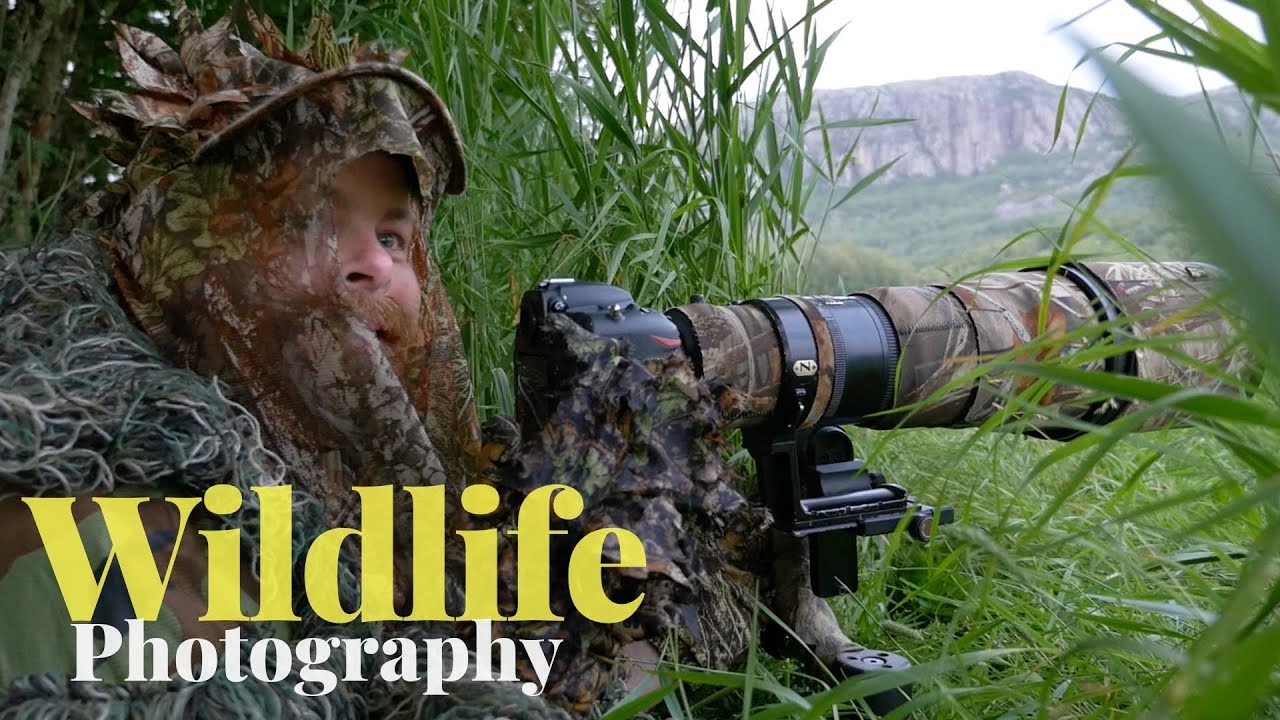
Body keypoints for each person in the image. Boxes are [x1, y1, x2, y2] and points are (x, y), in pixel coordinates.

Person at [0, 7, 856, 718]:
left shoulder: (379, 496)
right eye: (300, 216)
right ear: (179, 253)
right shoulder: (92, 507)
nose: (373, 265)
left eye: (394, 236)